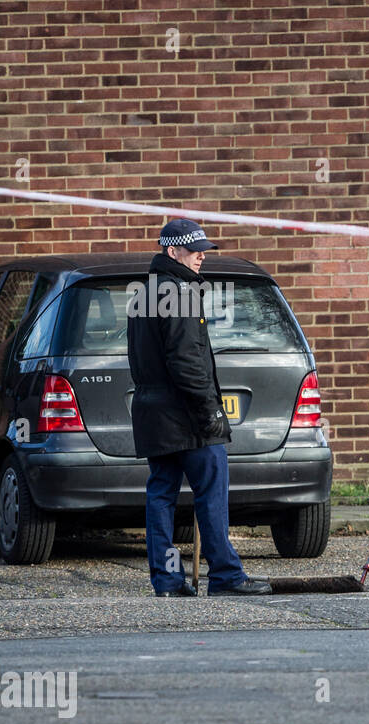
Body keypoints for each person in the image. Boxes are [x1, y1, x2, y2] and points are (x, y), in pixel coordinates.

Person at [127, 219, 271, 597]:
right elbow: (187, 361)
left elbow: (145, 358)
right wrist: (210, 410)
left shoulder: (143, 293)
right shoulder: (181, 293)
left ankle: (169, 581)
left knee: (161, 496)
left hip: (154, 415)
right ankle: (225, 575)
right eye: (194, 250)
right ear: (172, 252)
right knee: (211, 491)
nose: (202, 255)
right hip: (187, 416)